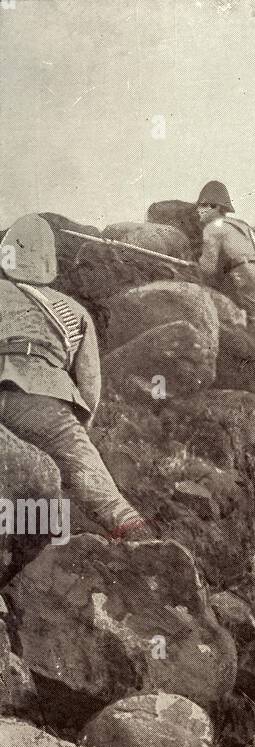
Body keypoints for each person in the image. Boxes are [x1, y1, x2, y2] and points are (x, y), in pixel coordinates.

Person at [0, 215, 149, 539]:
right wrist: (79, 428)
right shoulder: (73, 310)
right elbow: (90, 385)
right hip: (45, 401)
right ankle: (138, 538)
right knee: (93, 481)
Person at [197, 180, 255, 344]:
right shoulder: (242, 225)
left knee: (252, 334)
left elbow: (208, 269)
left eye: (202, 206)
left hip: (243, 280)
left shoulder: (213, 227)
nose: (198, 210)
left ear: (215, 207)